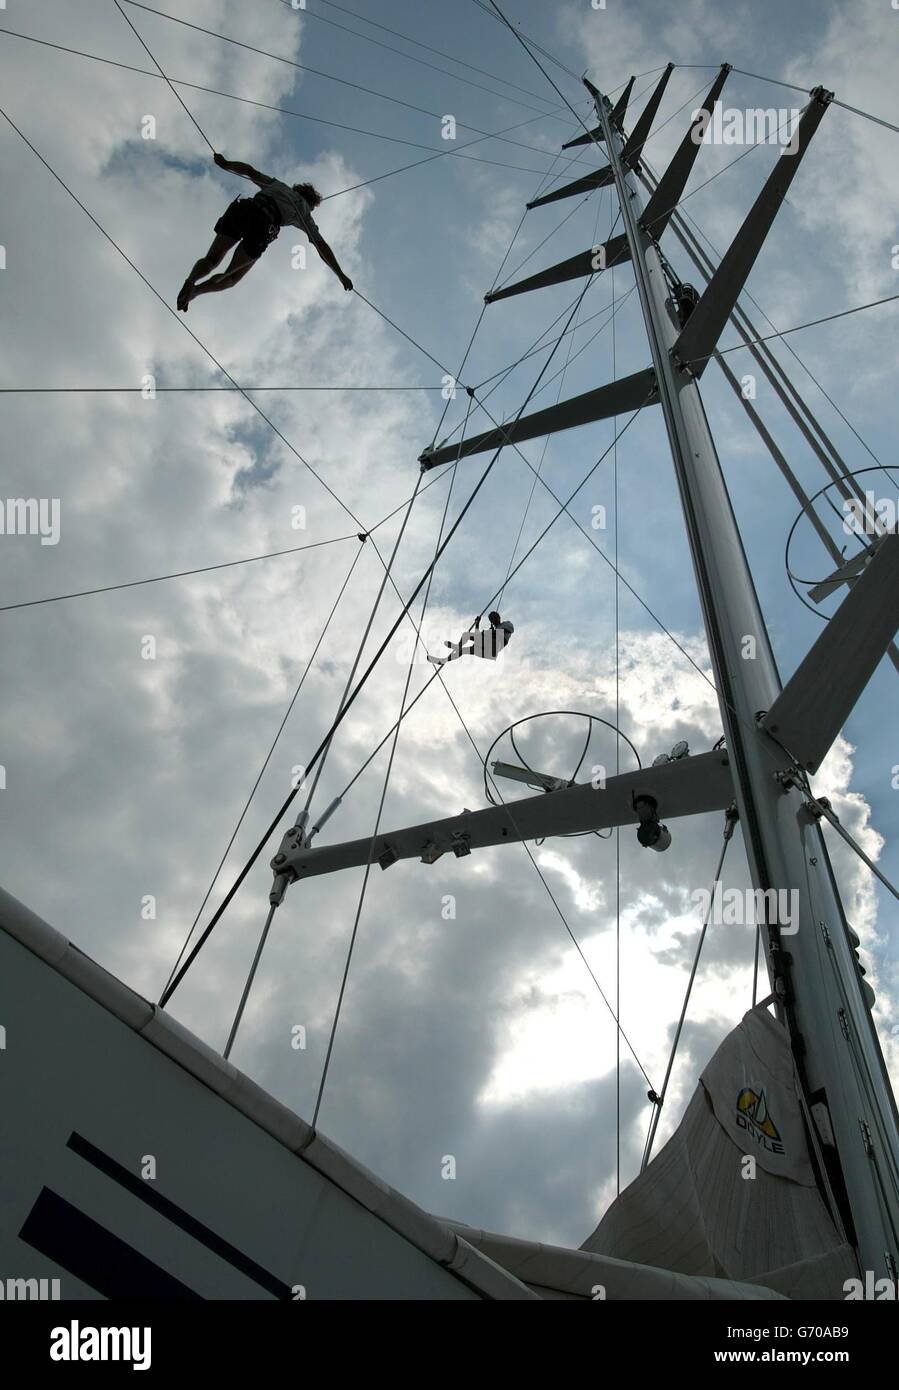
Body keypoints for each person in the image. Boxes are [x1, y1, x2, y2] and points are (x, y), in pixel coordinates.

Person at [177, 152, 353, 311]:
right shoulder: (304, 212)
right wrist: (340, 275)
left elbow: (249, 171)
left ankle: (191, 280)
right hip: (263, 226)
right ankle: (196, 291)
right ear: (312, 204)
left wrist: (225, 164)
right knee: (231, 277)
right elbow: (320, 245)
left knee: (212, 259)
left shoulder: (279, 185)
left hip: (244, 210)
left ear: (297, 189)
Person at [427, 612, 514, 666]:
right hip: (486, 651)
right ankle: (443, 660)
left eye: (495, 617)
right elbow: (478, 635)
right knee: (466, 637)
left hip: (492, 649)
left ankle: (458, 647)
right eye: (492, 619)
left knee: (484, 635)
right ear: (491, 621)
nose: (494, 619)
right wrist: (477, 624)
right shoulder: (491, 631)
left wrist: (491, 632)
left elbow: (506, 631)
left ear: (499, 617)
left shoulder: (506, 624)